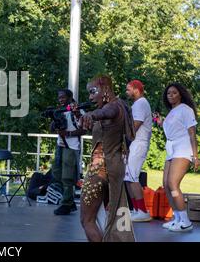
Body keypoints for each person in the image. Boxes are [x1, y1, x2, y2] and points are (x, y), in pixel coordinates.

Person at [79, 75, 135, 242]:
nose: (90, 97)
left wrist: (93, 114)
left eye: (93, 92)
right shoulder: (120, 106)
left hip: (100, 169)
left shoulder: (113, 108)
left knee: (87, 220)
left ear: (105, 89)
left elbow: (105, 113)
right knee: (110, 219)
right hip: (113, 168)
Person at [160, 83, 198, 232]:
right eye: (169, 93)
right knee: (165, 184)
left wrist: (195, 155)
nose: (171, 96)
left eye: (174, 93)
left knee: (173, 184)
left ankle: (186, 221)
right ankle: (177, 219)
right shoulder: (172, 111)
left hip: (183, 148)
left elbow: (192, 133)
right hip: (171, 148)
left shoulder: (186, 110)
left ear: (180, 94)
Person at [51, 89, 86, 215]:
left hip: (71, 146)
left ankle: (66, 204)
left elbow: (84, 130)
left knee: (67, 176)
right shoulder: (60, 111)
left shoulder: (78, 111)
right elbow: (52, 127)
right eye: (59, 98)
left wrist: (69, 133)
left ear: (70, 97)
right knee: (56, 172)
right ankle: (69, 201)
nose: (60, 100)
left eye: (63, 97)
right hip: (60, 145)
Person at [124, 80, 153, 222]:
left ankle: (142, 211)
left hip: (139, 143)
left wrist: (122, 136)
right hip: (135, 143)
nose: (126, 92)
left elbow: (135, 125)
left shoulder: (141, 103)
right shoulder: (138, 104)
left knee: (133, 177)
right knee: (128, 178)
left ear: (136, 89)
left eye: (128, 89)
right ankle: (136, 209)